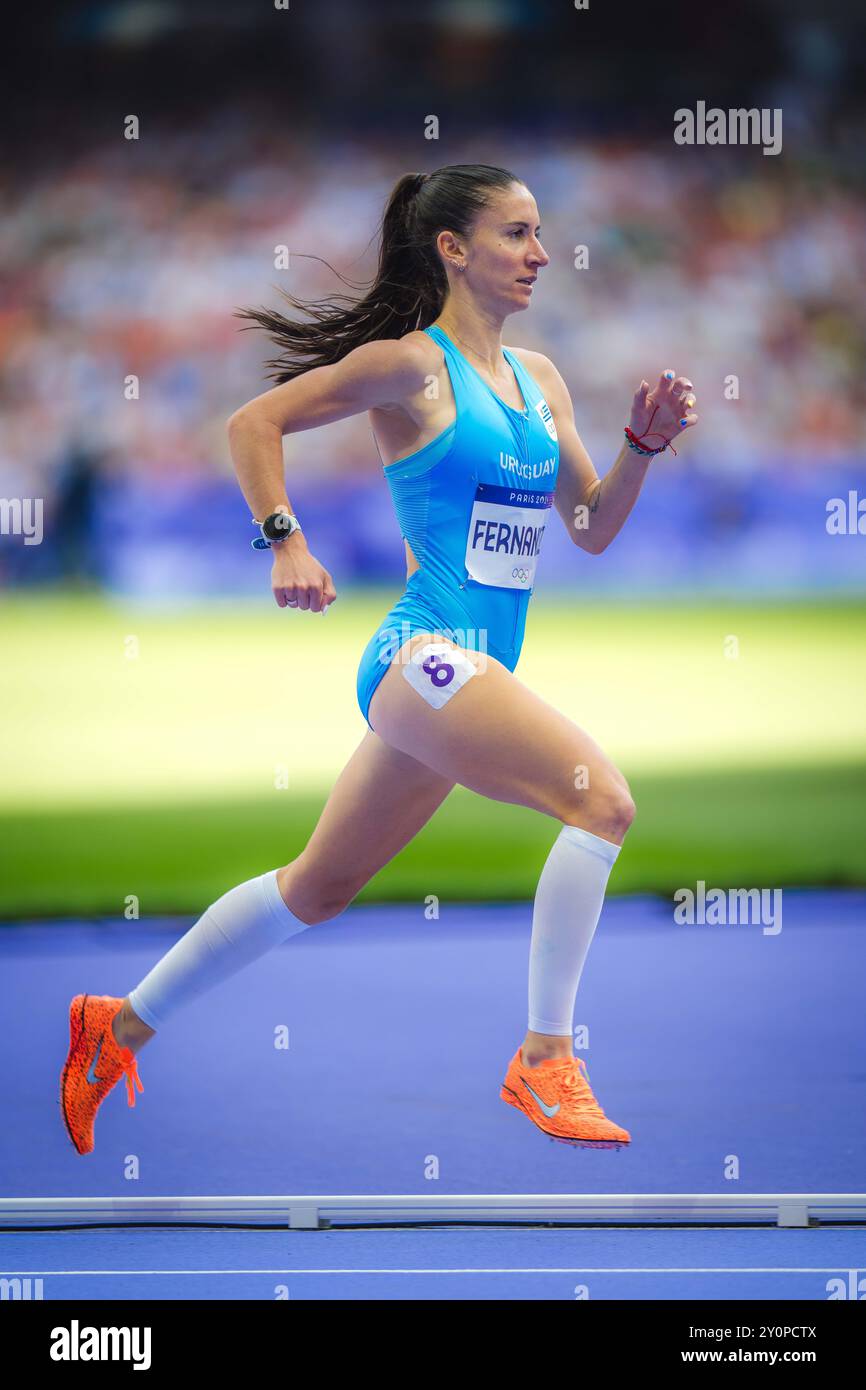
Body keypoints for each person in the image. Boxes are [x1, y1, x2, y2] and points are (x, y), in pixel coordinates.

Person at [60, 164, 697, 1154]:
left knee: (316, 887)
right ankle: (543, 1058)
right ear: (451, 247)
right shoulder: (410, 366)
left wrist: (640, 450)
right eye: (515, 234)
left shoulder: (541, 379)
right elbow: (252, 421)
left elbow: (590, 526)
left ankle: (117, 1023)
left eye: (539, 234)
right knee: (600, 801)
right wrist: (285, 539)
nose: (539, 254)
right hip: (422, 655)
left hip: (474, 670)